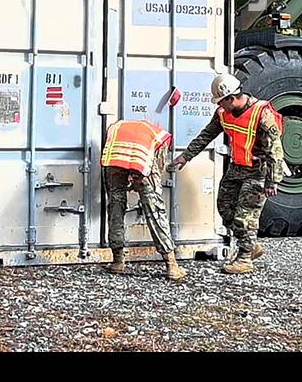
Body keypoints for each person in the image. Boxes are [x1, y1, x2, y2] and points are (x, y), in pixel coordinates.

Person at [170, 73, 285, 274]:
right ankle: (249, 245)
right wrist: (186, 156)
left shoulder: (262, 114)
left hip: (259, 171)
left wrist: (273, 181)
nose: (219, 106)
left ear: (231, 98)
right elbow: (207, 134)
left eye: (221, 102)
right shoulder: (223, 113)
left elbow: (275, 150)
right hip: (237, 168)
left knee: (245, 215)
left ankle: (244, 259)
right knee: (225, 208)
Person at [101, 118, 186, 281]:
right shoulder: (160, 136)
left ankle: (117, 261)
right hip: (142, 163)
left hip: (114, 159)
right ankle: (172, 265)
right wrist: (141, 183)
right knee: (154, 209)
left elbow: (119, 154)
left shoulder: (116, 127)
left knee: (115, 206)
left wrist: (131, 181)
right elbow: (157, 167)